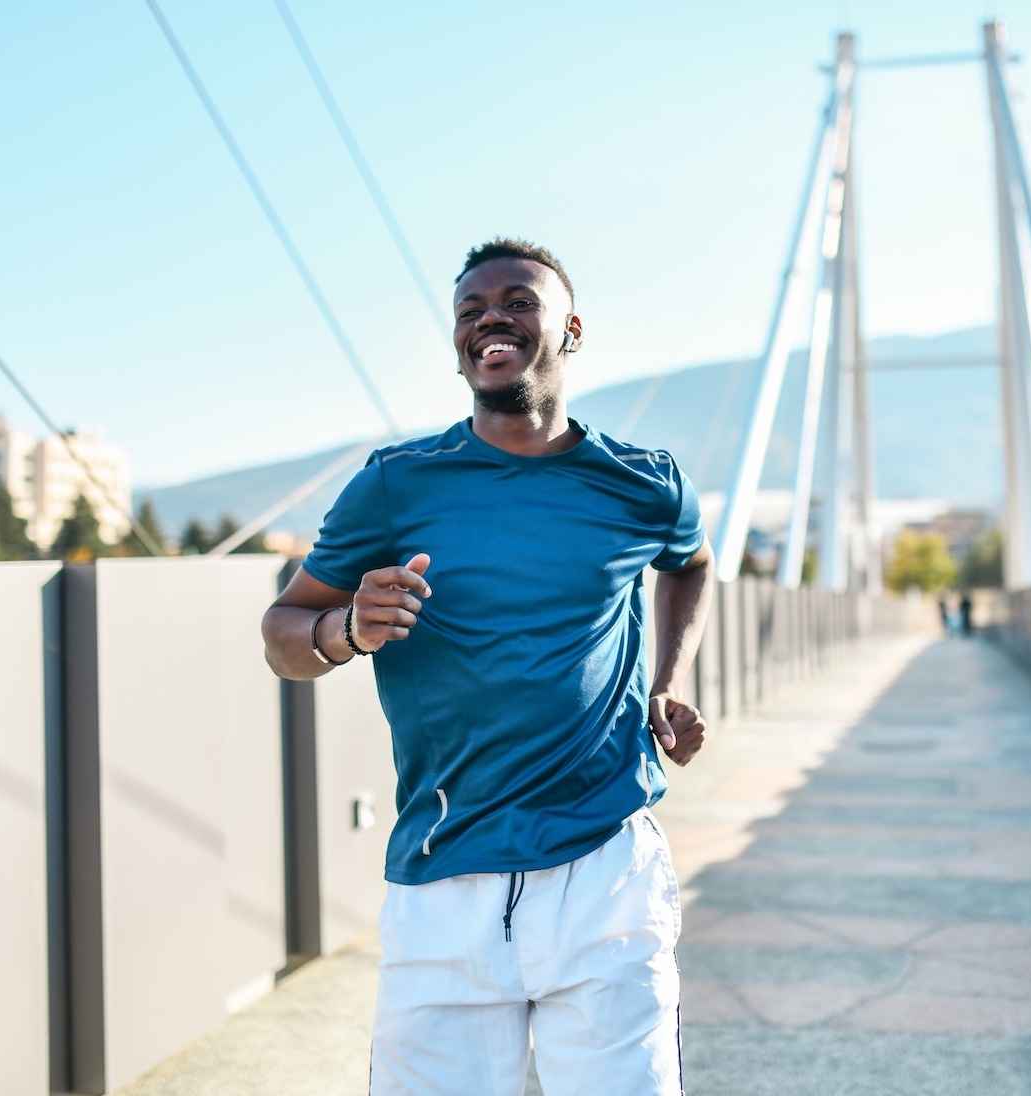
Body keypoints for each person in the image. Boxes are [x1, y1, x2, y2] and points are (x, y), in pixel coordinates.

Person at [261, 237, 714, 1095]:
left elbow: (690, 562)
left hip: (606, 869)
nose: (490, 319)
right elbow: (282, 633)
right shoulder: (395, 485)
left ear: (571, 330)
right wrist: (346, 629)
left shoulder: (643, 483)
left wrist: (668, 682)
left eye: (518, 302)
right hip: (444, 880)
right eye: (471, 310)